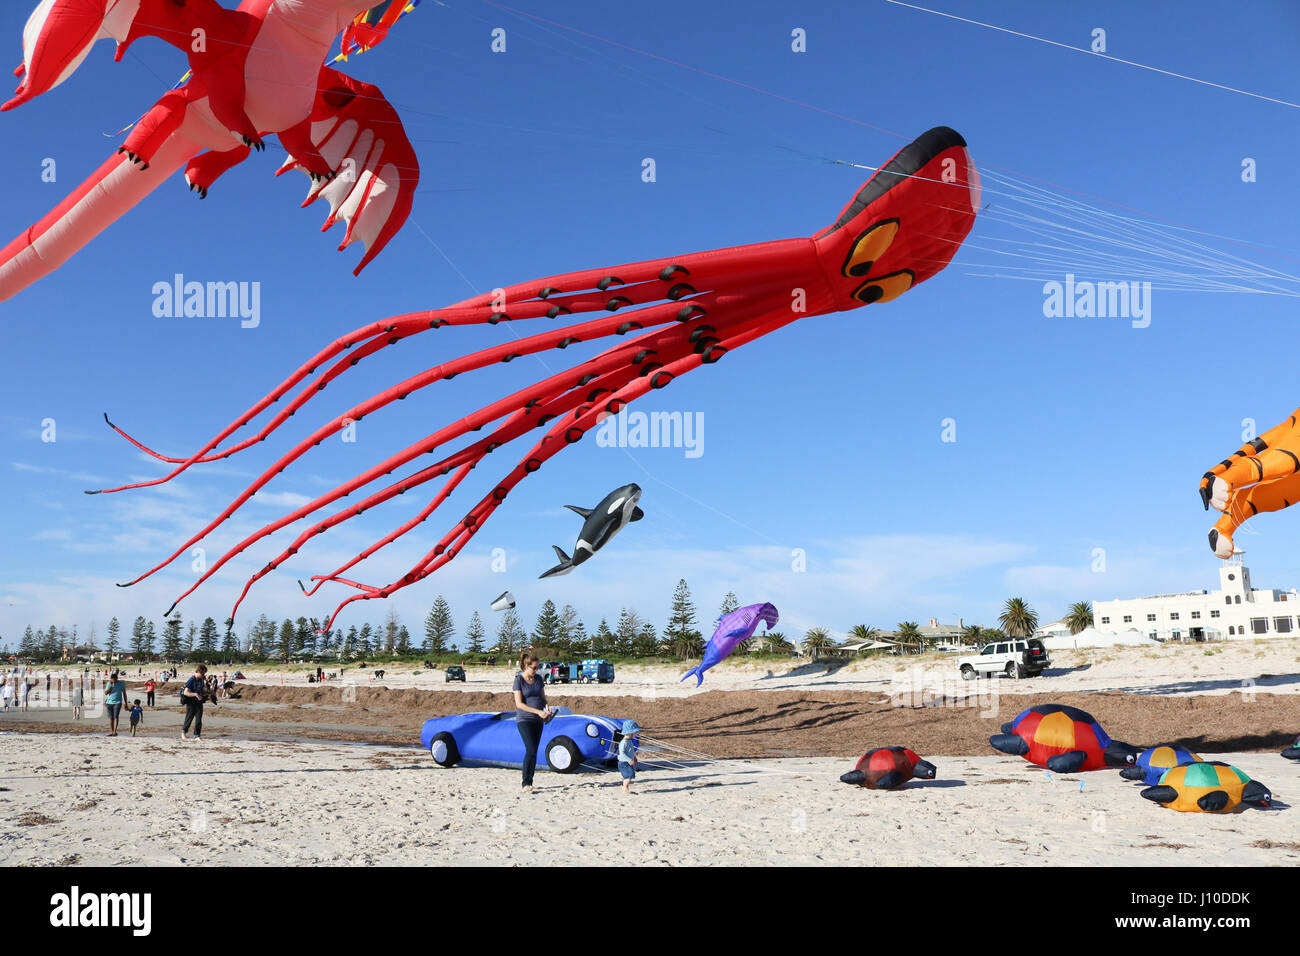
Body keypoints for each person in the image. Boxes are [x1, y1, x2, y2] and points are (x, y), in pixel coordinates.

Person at [512, 652, 553, 792]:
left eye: (538, 667)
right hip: (525, 719)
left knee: (534, 751)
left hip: (538, 720)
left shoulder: (539, 679)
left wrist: (546, 706)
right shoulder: (519, 680)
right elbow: (519, 704)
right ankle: (525, 783)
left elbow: (542, 697)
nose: (536, 670)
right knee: (530, 748)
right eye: (534, 668)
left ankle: (530, 782)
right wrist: (537, 711)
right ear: (526, 666)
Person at [181, 665, 208, 740]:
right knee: (189, 718)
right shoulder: (191, 680)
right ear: (199, 672)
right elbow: (185, 692)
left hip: (199, 702)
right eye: (203, 674)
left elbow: (202, 689)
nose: (203, 675)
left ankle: (197, 735)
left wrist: (208, 691)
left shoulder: (201, 680)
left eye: (204, 674)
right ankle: (183, 732)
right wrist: (195, 694)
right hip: (191, 702)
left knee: (199, 719)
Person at [617, 719, 640, 795]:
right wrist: (629, 760)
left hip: (627, 762)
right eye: (635, 732)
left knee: (629, 775)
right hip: (623, 762)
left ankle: (625, 787)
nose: (636, 734)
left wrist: (634, 757)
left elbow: (631, 751)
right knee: (629, 775)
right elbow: (622, 753)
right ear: (630, 732)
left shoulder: (629, 741)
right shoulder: (624, 742)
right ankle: (625, 787)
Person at [104, 671, 127, 736]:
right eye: (112, 679)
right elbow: (106, 693)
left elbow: (124, 694)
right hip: (109, 702)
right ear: (111, 679)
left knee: (116, 716)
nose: (113, 680)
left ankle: (115, 731)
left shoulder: (121, 684)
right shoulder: (109, 684)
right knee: (111, 718)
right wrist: (111, 686)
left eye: (114, 679)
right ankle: (112, 731)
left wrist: (126, 703)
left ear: (117, 679)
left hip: (118, 702)